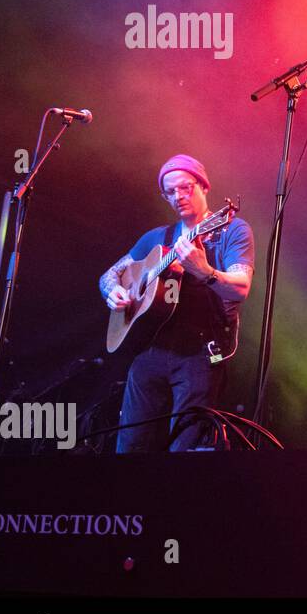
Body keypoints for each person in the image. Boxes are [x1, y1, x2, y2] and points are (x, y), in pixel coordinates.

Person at [99, 155, 254, 451]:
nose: (178, 196)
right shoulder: (158, 238)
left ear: (204, 186)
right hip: (151, 351)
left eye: (185, 187)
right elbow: (110, 274)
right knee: (130, 445)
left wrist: (204, 271)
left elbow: (241, 289)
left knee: (186, 447)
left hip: (199, 354)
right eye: (170, 192)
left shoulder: (230, 229)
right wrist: (112, 291)